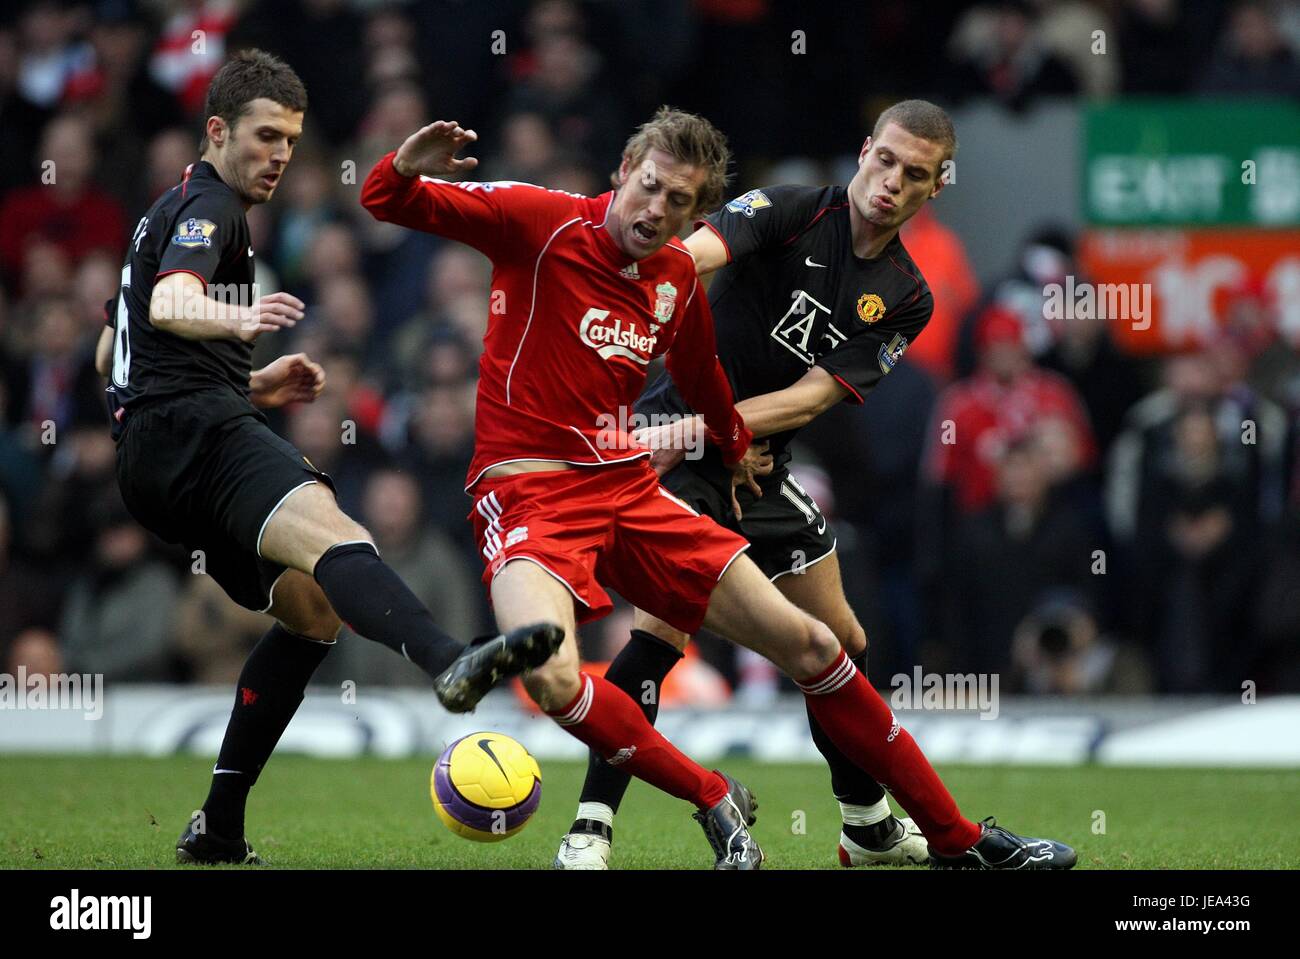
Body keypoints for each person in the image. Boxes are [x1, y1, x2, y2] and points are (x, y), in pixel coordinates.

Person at [362, 107, 1076, 870]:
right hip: (538, 487)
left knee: (826, 643)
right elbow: (387, 202)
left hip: (653, 479)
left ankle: (944, 840)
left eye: (678, 203)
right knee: (573, 666)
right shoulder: (541, 219)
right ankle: (664, 805)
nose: (657, 211)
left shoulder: (711, 282)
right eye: (649, 188)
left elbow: (709, 377)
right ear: (623, 173)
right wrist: (405, 165)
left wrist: (732, 443)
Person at [103, 50, 560, 866]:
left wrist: (248, 383)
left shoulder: (162, 209)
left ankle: (219, 824)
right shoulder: (212, 205)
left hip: (151, 451)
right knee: (334, 529)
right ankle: (450, 660)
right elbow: (173, 304)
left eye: (291, 140)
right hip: (192, 431)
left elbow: (117, 340)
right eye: (265, 136)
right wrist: (233, 325)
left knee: (312, 611)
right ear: (217, 130)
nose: (280, 155)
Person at [552, 99, 1029, 870]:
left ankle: (867, 825)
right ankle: (589, 831)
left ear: (937, 186)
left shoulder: (909, 294)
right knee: (661, 630)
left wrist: (725, 430)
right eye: (885, 161)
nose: (891, 182)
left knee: (844, 642)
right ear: (865, 149)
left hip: (755, 459)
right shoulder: (787, 210)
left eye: (914, 175)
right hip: (672, 444)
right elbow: (697, 254)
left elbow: (814, 396)